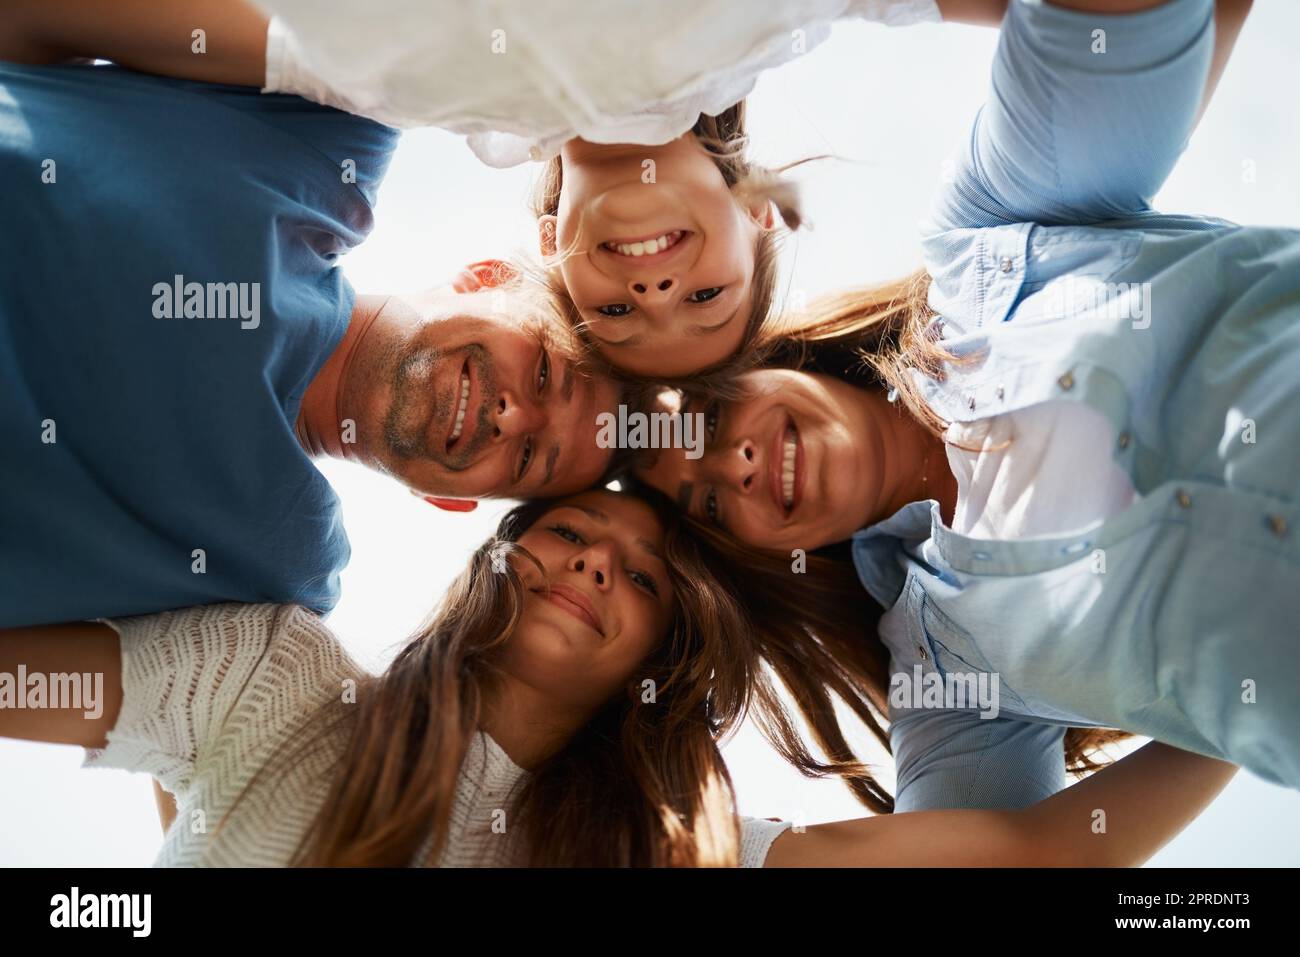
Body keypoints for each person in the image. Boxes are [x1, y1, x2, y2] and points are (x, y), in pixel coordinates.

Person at [634, 0, 1300, 798]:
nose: (734, 467)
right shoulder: (946, 673)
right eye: (707, 504)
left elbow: (1120, 25)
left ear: (763, 357)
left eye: (709, 423)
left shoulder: (986, 234)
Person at [0, 487, 1238, 866]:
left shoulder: (682, 851)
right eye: (570, 534)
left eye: (644, 579)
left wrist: (1250, 706)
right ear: (499, 550)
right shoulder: (265, 676)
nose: (593, 566)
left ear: (665, 655)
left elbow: (1033, 857)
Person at [0, 1, 1008, 380]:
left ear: (549, 246)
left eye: (613, 313)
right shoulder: (776, 22)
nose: (653, 293)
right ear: (756, 216)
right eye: (708, 296)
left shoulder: (373, 84)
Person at [0, 56, 623, 628]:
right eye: (544, 372)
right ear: (491, 277)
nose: (514, 416)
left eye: (527, 459)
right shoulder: (334, 127)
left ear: (449, 501)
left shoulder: (281, 582)